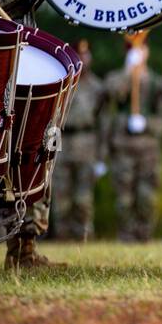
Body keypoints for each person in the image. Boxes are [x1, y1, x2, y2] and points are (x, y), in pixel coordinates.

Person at [103, 32, 162, 242]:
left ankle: (145, 236)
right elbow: (113, 93)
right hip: (123, 146)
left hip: (148, 147)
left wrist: (147, 124)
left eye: (140, 50)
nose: (137, 55)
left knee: (146, 197)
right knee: (124, 198)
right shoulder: (117, 77)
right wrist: (129, 72)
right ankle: (126, 237)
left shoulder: (156, 81)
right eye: (133, 51)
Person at [52, 40, 108, 241]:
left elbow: (103, 123)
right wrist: (52, 151)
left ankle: (84, 238)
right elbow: (53, 120)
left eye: (87, 54)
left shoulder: (97, 87)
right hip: (63, 143)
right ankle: (62, 238)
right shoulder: (62, 83)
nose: (84, 58)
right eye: (80, 54)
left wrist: (101, 158)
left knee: (83, 199)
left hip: (87, 143)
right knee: (61, 199)